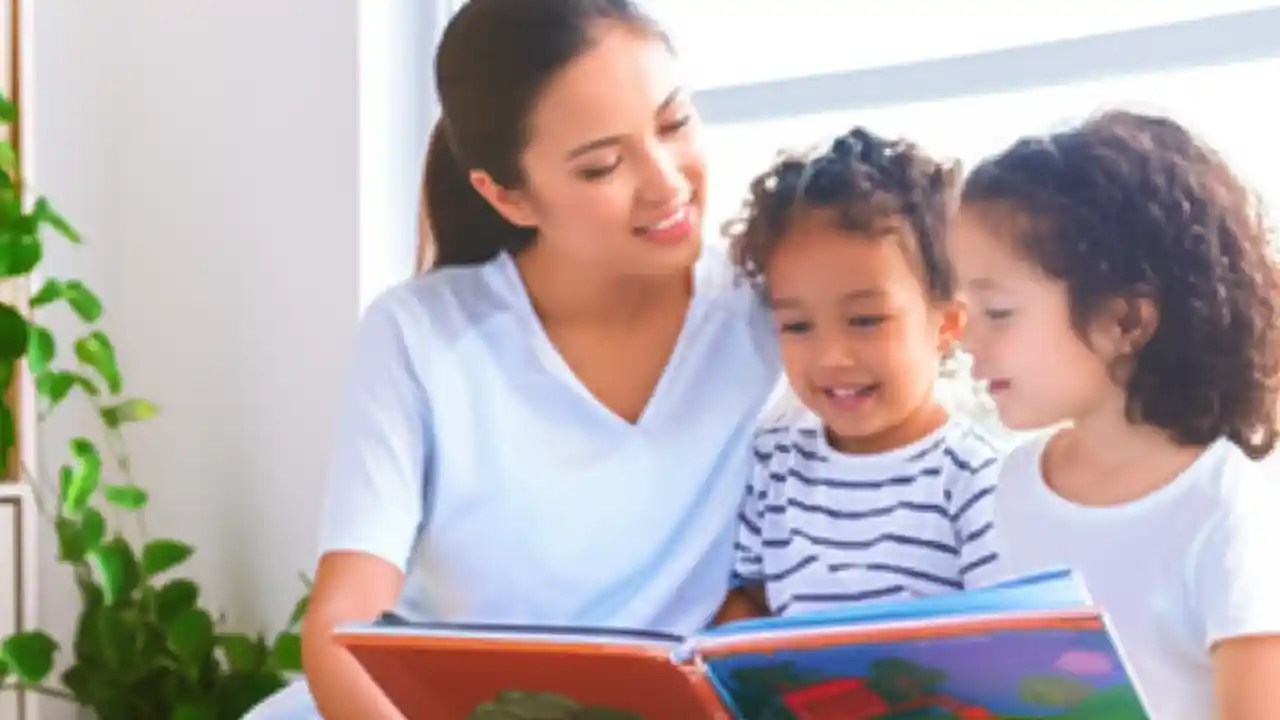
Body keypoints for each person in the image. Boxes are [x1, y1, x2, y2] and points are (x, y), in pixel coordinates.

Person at [244, 1, 779, 717]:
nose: (665, 182)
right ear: (508, 195)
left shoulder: (776, 319)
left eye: (674, 123)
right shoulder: (420, 333)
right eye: (602, 166)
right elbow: (344, 630)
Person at [950, 109, 1280, 718]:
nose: (967, 338)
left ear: (1126, 320)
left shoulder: (1225, 510)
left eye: (997, 312)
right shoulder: (1015, 485)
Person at [714, 127, 1003, 622]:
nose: (831, 357)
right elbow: (749, 601)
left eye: (866, 320)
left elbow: (1006, 638)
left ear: (947, 324)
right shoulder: (773, 466)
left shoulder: (971, 479)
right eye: (797, 325)